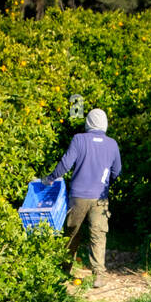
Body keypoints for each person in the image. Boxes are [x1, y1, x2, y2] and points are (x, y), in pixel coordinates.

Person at [45, 108, 121, 288]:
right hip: (100, 198)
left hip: (78, 195)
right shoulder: (112, 144)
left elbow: (65, 164)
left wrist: (49, 178)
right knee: (98, 234)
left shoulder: (79, 139)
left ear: (88, 122)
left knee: (72, 234)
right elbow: (117, 172)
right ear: (104, 123)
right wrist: (105, 183)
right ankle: (98, 276)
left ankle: (63, 271)